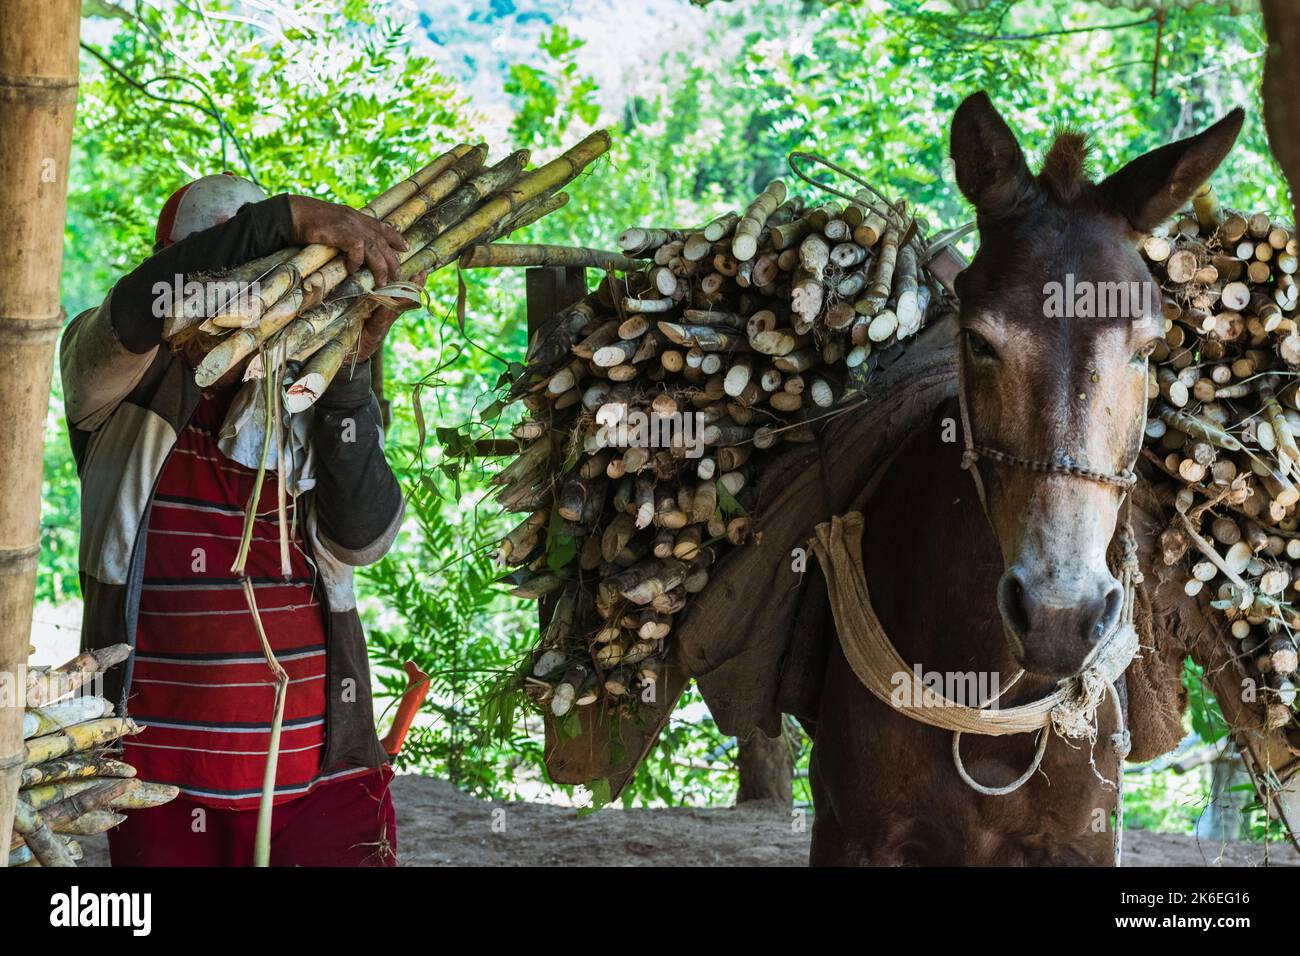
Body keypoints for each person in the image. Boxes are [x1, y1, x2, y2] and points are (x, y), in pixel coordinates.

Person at [60, 173, 422, 866]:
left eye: (261, 278)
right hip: (158, 782)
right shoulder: (113, 378)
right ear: (172, 265)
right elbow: (136, 307)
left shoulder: (306, 385)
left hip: (318, 779)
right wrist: (282, 220)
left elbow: (363, 537)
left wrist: (349, 373)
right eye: (217, 274)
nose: (239, 300)